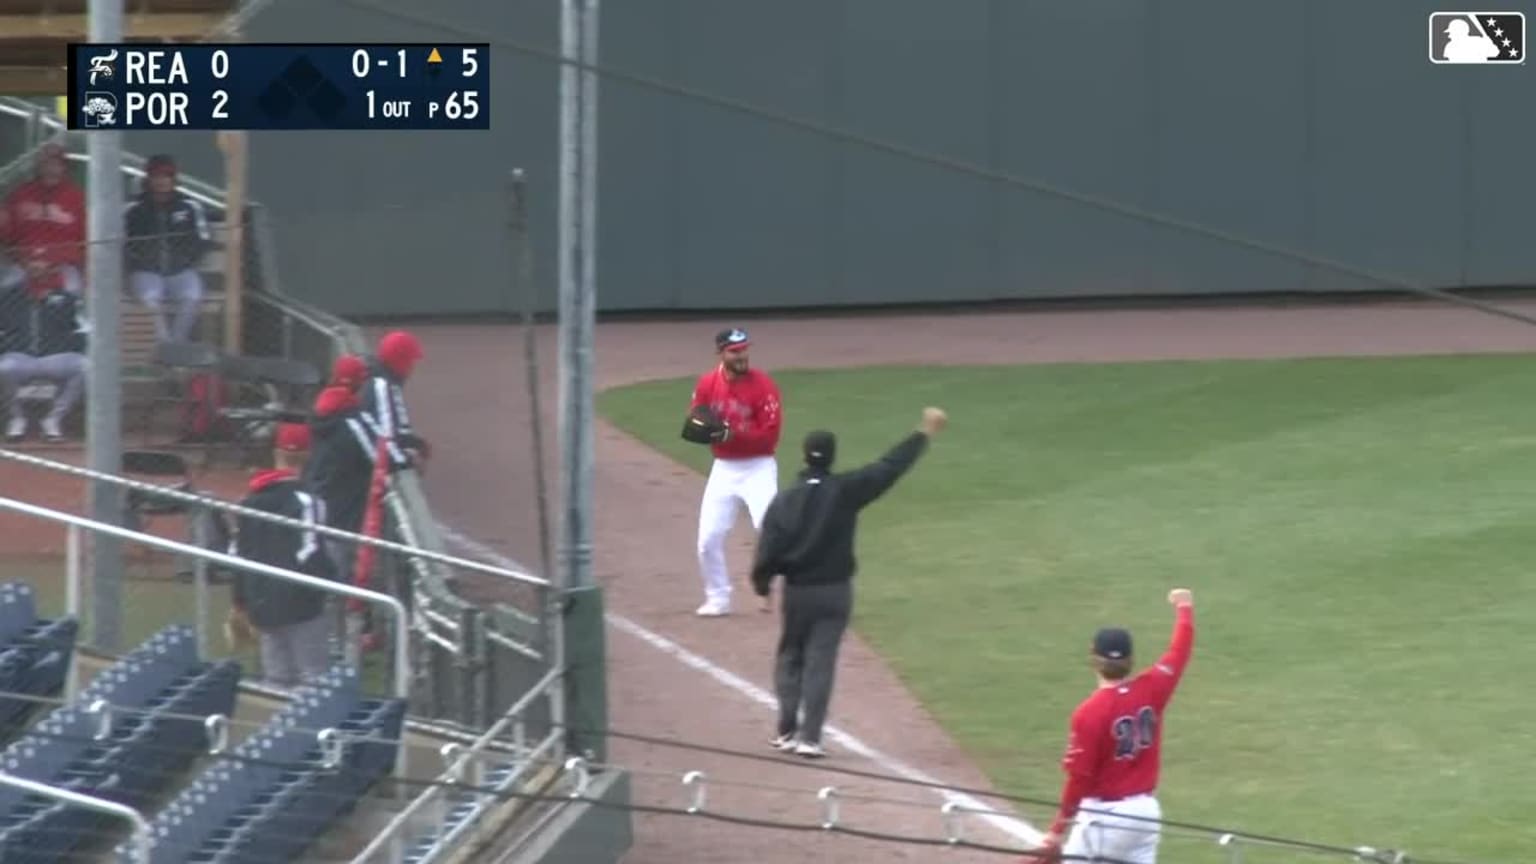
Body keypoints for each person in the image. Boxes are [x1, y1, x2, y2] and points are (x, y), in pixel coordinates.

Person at [751, 407, 947, 758]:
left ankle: (786, 732)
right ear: (832, 457)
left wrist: (764, 586)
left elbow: (769, 546)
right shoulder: (845, 491)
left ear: (803, 454)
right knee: (820, 661)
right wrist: (923, 434)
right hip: (836, 593)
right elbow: (888, 467)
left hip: (797, 593)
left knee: (791, 657)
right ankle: (811, 739)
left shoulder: (784, 500)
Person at [1026, 589, 1197, 864]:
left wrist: (1056, 832)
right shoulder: (1154, 687)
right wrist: (1184, 608)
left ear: (1094, 659)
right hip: (1145, 815)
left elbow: (1079, 779)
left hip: (1104, 819)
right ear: (1130, 660)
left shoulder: (1088, 713)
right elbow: (1179, 651)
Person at [226, 423, 338, 690]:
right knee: (314, 679)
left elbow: (238, 555)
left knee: (275, 682)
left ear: (277, 453)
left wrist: (240, 601)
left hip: (261, 603)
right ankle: (311, 731)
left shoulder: (250, 501)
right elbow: (312, 552)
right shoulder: (308, 501)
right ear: (308, 455)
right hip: (302, 604)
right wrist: (329, 584)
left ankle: (277, 729)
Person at [689, 327, 783, 617]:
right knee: (707, 540)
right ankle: (718, 597)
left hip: (759, 467)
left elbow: (769, 436)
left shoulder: (763, 385)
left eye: (744, 349)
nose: (742, 355)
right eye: (735, 351)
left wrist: (729, 433)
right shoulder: (707, 384)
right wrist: (729, 433)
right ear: (721, 353)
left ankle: (765, 586)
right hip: (724, 470)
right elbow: (695, 429)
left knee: (771, 531)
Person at [123, 154, 214, 343]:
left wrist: (185, 259)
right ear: (148, 179)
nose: (162, 181)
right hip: (146, 272)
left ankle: (176, 344)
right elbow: (121, 242)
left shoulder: (189, 206)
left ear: (174, 179)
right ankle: (165, 346)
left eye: (166, 176)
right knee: (150, 298)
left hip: (180, 270)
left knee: (192, 295)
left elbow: (204, 240)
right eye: (157, 176)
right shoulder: (133, 208)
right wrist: (139, 259)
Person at [0, 252, 88, 441]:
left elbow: (84, 329)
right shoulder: (9, 297)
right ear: (24, 268)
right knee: (4, 369)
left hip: (56, 356)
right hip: (20, 356)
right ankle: (17, 419)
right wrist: (6, 346)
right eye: (32, 263)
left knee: (85, 366)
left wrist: (70, 345)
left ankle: (53, 419)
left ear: (52, 268)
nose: (37, 268)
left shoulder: (66, 298)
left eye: (42, 263)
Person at [0, 142, 85, 297]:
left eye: (56, 164)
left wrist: (55, 264)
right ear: (38, 167)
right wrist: (25, 262)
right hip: (24, 264)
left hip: (62, 265)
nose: (51, 169)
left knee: (72, 290)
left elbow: (84, 242)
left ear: (64, 168)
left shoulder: (76, 198)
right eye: (46, 164)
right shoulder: (20, 194)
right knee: (6, 288)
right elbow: (7, 238)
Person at [359, 330, 430, 471]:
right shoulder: (381, 386)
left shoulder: (384, 382)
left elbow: (395, 429)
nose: (412, 367)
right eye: (410, 361)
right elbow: (385, 439)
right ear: (401, 361)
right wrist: (408, 460)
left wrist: (415, 443)